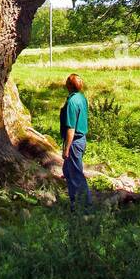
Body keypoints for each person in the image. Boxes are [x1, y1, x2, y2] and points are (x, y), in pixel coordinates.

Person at [60, 73, 93, 210]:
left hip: (74, 141)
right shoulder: (81, 98)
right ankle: (76, 201)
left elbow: (71, 128)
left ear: (69, 85)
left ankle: (84, 204)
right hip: (81, 140)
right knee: (68, 170)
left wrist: (66, 148)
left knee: (75, 173)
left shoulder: (72, 102)